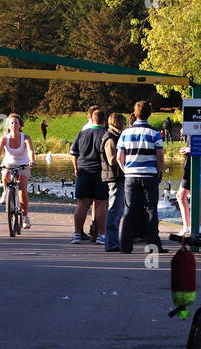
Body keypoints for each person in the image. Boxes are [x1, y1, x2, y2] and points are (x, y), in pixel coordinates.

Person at [117, 101, 165, 255]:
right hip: (149, 175)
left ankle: (126, 246)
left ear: (134, 113)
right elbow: (160, 158)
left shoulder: (125, 133)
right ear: (149, 114)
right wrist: (158, 172)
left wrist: (126, 171)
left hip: (131, 176)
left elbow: (119, 157)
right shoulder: (154, 134)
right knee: (151, 209)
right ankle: (153, 246)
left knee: (129, 210)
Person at [70, 108, 110, 244]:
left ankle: (76, 234)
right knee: (101, 204)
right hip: (101, 173)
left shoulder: (81, 134)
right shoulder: (106, 134)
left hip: (83, 171)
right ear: (105, 121)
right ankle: (102, 235)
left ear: (92, 120)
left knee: (82, 204)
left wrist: (76, 168)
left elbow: (73, 154)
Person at [0, 113, 35, 229]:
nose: (14, 125)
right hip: (9, 162)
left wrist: (32, 160)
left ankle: (25, 217)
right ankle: (5, 192)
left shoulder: (25, 137)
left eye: (16, 123)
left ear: (20, 125)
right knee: (5, 174)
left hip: (23, 164)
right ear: (8, 126)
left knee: (22, 188)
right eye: (11, 123)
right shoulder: (4, 138)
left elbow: (30, 150)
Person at [101, 112, 128, 251]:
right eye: (124, 123)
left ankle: (114, 241)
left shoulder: (114, 136)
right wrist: (124, 155)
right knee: (114, 210)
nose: (125, 126)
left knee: (118, 210)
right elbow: (111, 159)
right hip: (114, 177)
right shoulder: (111, 138)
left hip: (116, 177)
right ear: (119, 123)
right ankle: (111, 243)